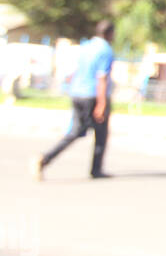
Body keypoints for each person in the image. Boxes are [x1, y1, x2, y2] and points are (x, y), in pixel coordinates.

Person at [35, 19, 115, 181]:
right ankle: (93, 168)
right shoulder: (105, 50)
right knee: (99, 133)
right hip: (92, 95)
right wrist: (101, 104)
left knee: (77, 131)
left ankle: (48, 159)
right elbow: (101, 78)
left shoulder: (86, 47)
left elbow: (73, 72)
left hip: (77, 93)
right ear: (110, 34)